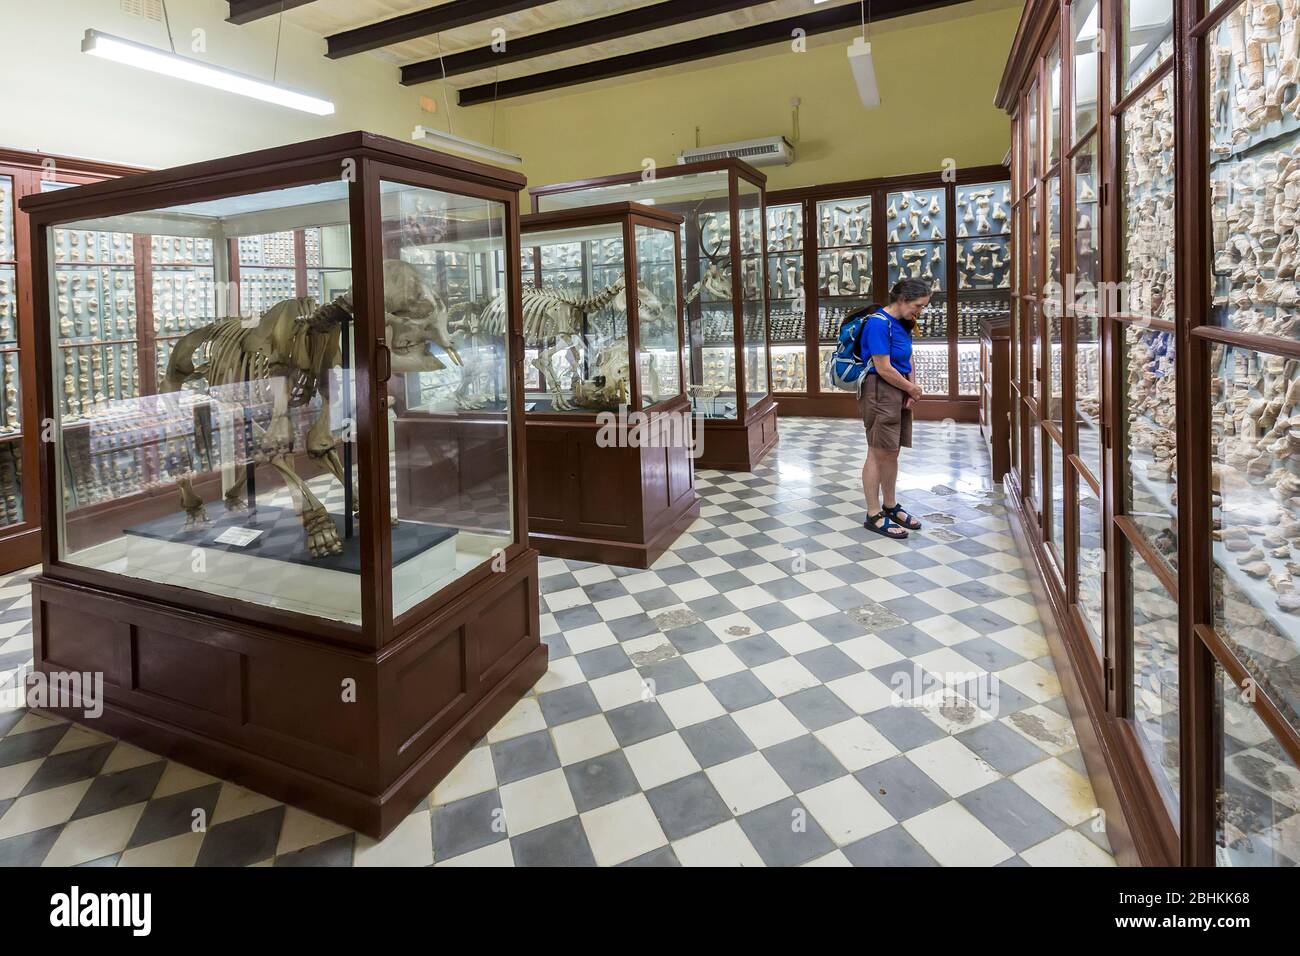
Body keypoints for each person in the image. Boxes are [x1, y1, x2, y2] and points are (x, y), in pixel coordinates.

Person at [858, 278, 931, 540]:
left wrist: (911, 386)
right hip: (880, 391)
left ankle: (890, 505)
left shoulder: (903, 322)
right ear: (902, 300)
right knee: (877, 452)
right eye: (918, 306)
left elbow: (907, 355)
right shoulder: (877, 324)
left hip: (898, 389)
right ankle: (873, 514)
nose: (920, 311)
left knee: (892, 451)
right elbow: (883, 367)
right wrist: (910, 389)